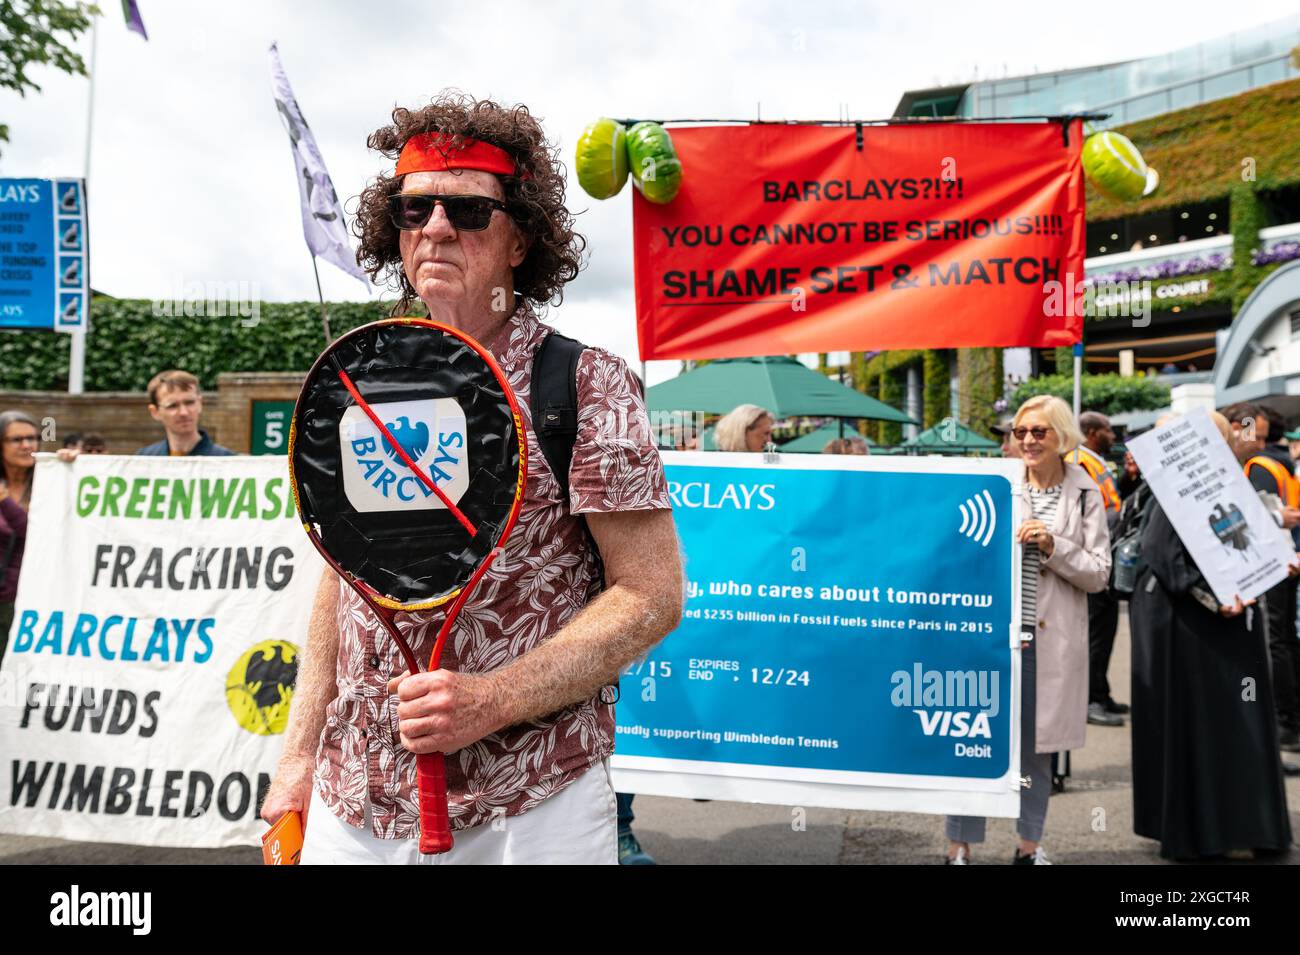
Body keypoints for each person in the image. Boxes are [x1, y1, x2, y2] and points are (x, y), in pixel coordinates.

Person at [261, 93, 683, 865]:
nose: (437, 227)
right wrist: (298, 754)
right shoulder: (366, 375)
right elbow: (345, 571)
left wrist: (492, 701)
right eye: (413, 208)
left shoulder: (585, 383)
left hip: (530, 801)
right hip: (353, 795)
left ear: (520, 238)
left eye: (468, 210)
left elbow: (651, 594)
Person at [945, 395, 1110, 865]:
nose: (1028, 441)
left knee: (1038, 748)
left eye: (1039, 432)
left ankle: (1029, 846)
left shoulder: (1086, 492)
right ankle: (959, 846)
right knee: (970, 738)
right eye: (1020, 433)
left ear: (1062, 436)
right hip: (990, 638)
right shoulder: (996, 484)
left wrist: (1054, 545)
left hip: (1047, 641)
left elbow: (1100, 574)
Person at [1129, 411, 1293, 860]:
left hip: (1222, 618)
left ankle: (1229, 825)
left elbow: (1241, 539)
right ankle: (1216, 828)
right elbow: (1160, 553)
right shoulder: (1178, 487)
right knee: (1213, 723)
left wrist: (1275, 562)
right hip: (1199, 622)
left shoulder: (1212, 482)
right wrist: (1212, 596)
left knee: (1229, 721)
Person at [1222, 402, 1300, 751]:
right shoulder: (1275, 463)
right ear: (1238, 426)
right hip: (1284, 559)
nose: (1260, 442)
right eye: (1258, 435)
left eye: (1264, 436)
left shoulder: (1258, 466)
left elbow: (1253, 518)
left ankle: (1286, 722)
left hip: (1274, 563)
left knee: (1275, 642)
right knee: (1283, 641)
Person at [1066, 412, 1125, 728]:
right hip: (1094, 557)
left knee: (1106, 630)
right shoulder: (1079, 460)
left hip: (1106, 554)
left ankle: (1100, 693)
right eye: (1108, 430)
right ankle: (1089, 699)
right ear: (1091, 432)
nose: (1113, 436)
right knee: (1095, 634)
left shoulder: (1093, 460)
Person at [0, 410, 38, 662]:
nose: (27, 445)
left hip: (36, 597)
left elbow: (36, 534)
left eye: (33, 438)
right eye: (17, 440)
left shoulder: (50, 482)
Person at [137, 370, 234, 456]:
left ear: (200, 403)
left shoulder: (227, 461)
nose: (184, 412)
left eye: (189, 402)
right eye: (172, 406)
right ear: (155, 412)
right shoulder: (144, 459)